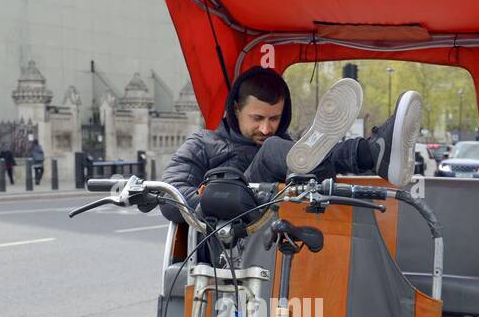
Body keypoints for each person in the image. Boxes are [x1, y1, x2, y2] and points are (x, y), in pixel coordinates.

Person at [158, 67, 422, 226]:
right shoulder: (203, 143)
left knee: (302, 155)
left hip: (282, 237)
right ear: (236, 109)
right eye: (257, 118)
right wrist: (220, 197)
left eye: (274, 118)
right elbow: (169, 196)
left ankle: (373, 153)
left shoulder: (289, 146)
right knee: (276, 149)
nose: (265, 128)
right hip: (228, 235)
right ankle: (369, 152)